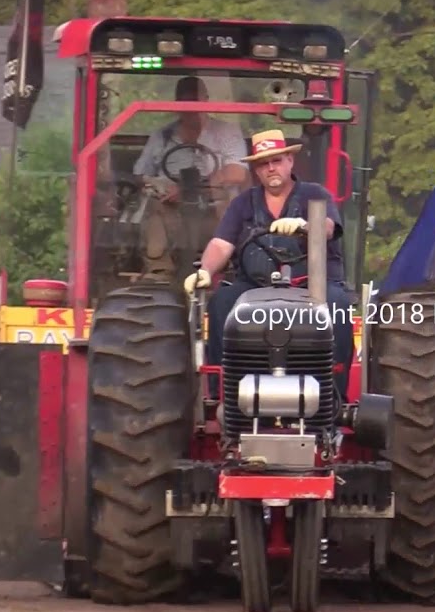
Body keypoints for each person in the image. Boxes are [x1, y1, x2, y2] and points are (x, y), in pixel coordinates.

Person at [184, 129, 355, 402]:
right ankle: (222, 398)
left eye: (276, 160)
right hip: (254, 287)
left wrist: (305, 226)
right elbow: (221, 243)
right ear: (256, 170)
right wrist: (204, 270)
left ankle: (333, 399)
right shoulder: (243, 203)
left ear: (290, 161)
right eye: (263, 163)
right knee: (221, 303)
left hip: (314, 287)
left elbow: (328, 228)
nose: (271, 168)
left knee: (338, 306)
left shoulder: (314, 193)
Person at [132, 76, 249, 277]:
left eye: (195, 100)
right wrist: (160, 187)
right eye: (185, 101)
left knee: (231, 204)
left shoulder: (226, 132)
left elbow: (237, 173)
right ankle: (159, 273)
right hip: (172, 211)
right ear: (176, 103)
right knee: (153, 208)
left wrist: (192, 189)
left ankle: (228, 268)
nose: (191, 107)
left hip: (216, 210)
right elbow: (140, 174)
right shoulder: (162, 136)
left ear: (206, 100)